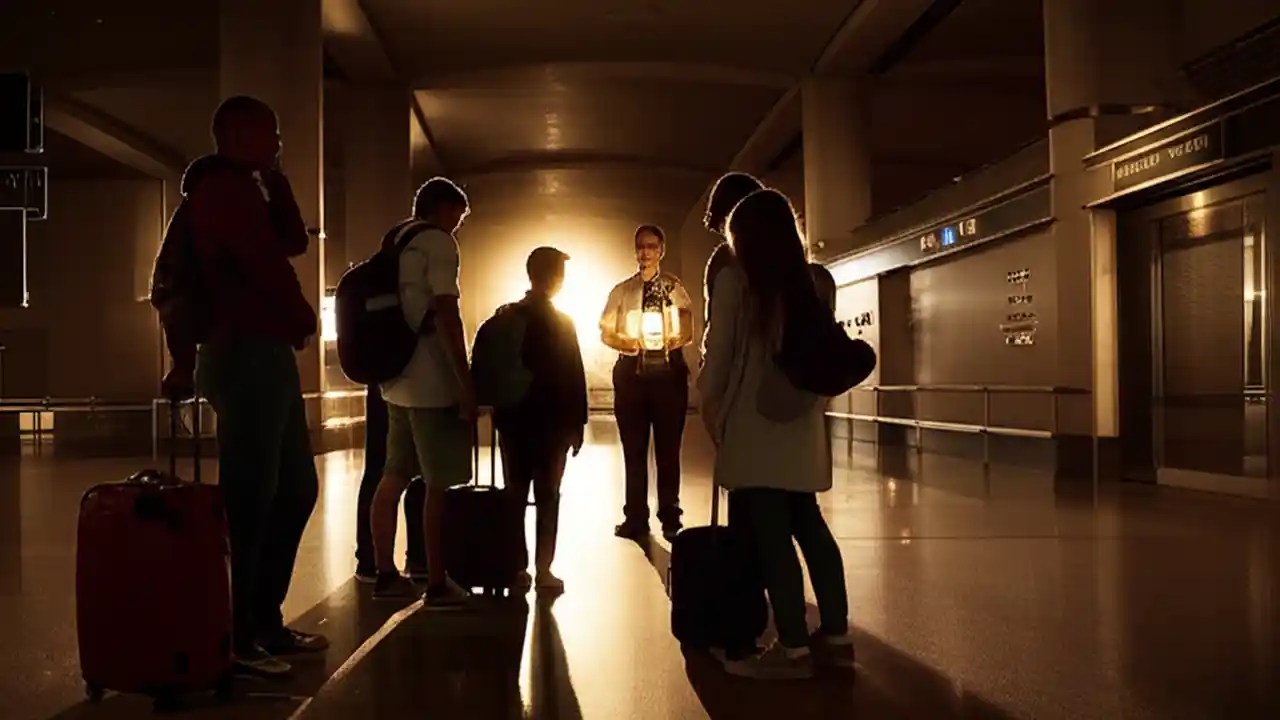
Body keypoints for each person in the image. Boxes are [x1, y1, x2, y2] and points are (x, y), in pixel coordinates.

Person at [183, 96, 327, 677]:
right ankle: (239, 635)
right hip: (242, 350)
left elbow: (294, 240)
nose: (278, 143)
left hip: (264, 352)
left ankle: (263, 620)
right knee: (252, 497)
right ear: (237, 135)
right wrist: (301, 317)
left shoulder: (255, 185)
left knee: (294, 487)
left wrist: (278, 178)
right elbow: (267, 261)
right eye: (269, 134)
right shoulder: (222, 191)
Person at [697, 188, 855, 680]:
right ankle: (835, 632)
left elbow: (718, 359)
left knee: (771, 537)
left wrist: (709, 405)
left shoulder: (736, 283)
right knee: (810, 526)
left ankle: (791, 646)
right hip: (802, 422)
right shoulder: (813, 281)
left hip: (755, 426)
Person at [369, 177, 477, 608]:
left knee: (393, 475)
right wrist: (465, 382)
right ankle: (436, 580)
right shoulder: (438, 243)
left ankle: (384, 572)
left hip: (394, 379)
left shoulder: (396, 239)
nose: (458, 226)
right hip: (432, 382)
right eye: (459, 216)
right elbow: (448, 314)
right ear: (444, 208)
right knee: (439, 484)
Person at [492, 247, 588, 594]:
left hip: (514, 422)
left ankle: (516, 569)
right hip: (553, 425)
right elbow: (574, 376)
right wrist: (578, 425)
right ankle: (544, 571)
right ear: (556, 278)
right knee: (549, 496)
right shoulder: (562, 322)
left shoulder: (506, 317)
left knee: (514, 494)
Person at [599, 225, 694, 541]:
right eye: (640, 246)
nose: (645, 252)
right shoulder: (622, 291)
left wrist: (669, 341)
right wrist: (626, 342)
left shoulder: (673, 288)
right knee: (634, 450)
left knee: (669, 449)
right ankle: (635, 516)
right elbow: (605, 328)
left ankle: (670, 514)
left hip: (668, 378)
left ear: (661, 250)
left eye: (651, 246)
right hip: (632, 378)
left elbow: (687, 327)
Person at [354, 385, 427, 583]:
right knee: (421, 465)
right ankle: (419, 556)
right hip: (415, 382)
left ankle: (371, 560)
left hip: (384, 379)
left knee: (379, 469)